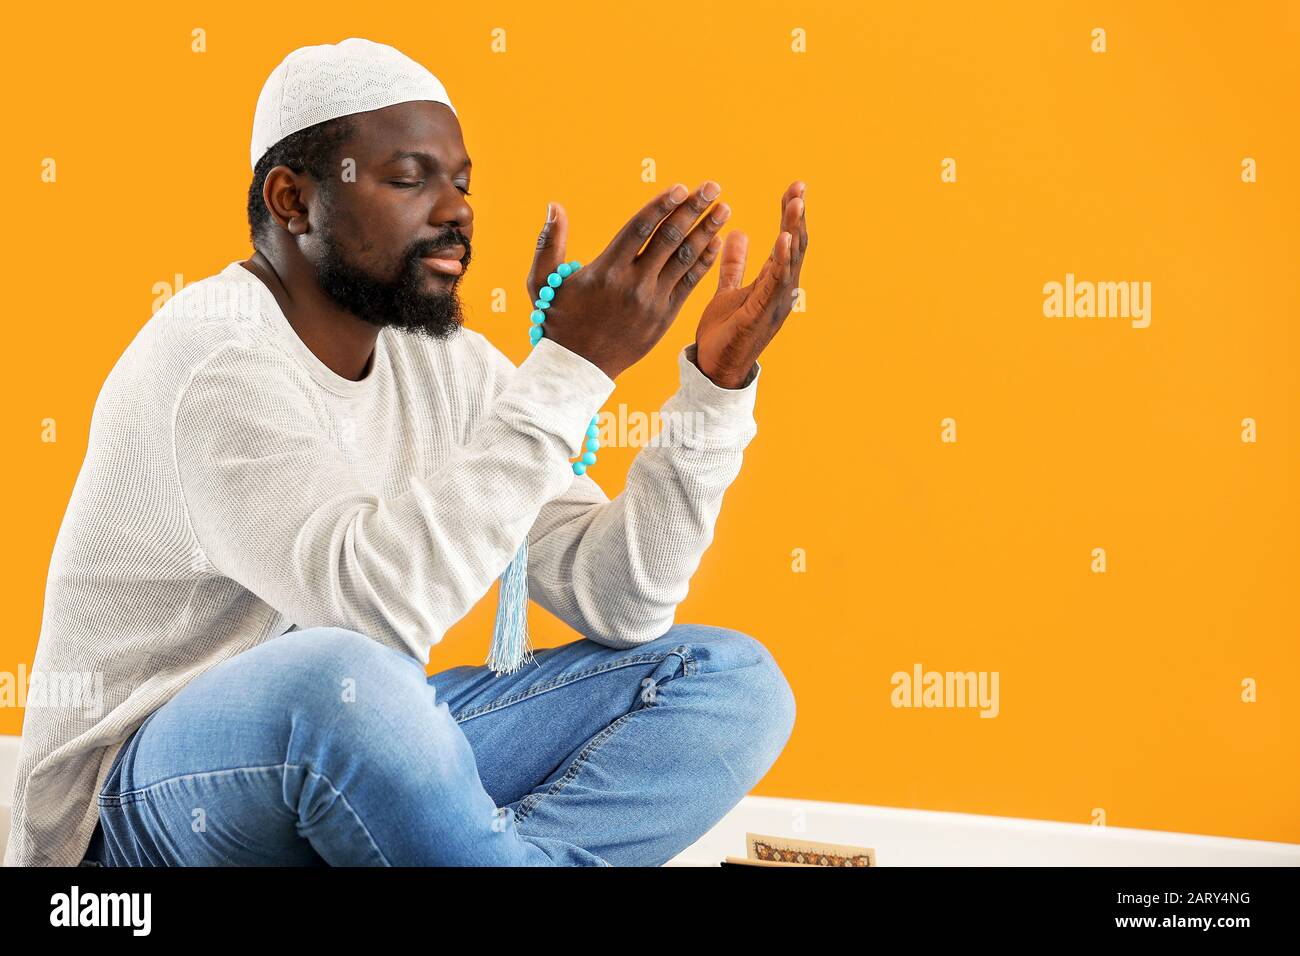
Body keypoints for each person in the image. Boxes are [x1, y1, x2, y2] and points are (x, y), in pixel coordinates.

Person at [5, 37, 810, 867]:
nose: (455, 208)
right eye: (408, 178)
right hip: (139, 818)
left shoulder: (440, 363)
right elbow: (368, 618)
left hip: (344, 752)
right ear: (292, 200)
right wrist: (573, 370)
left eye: (461, 181)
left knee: (727, 681)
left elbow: (623, 600)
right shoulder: (217, 360)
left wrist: (716, 385)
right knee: (344, 684)